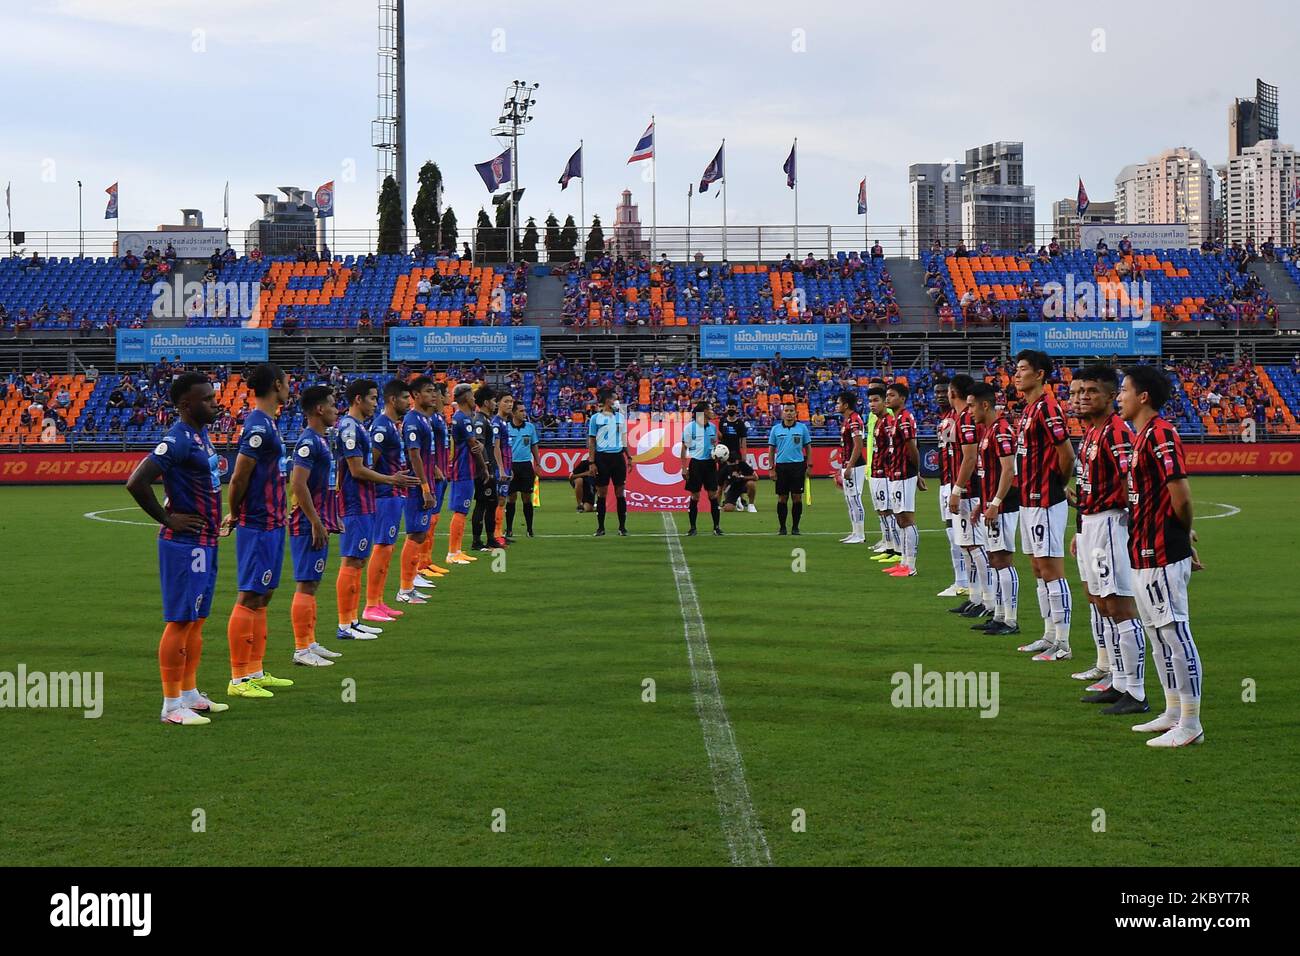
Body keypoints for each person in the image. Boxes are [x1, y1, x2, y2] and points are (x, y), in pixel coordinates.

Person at [125, 372, 229, 726]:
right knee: (181, 620)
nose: (215, 403)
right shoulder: (178, 438)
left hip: (205, 540)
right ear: (186, 404)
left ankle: (188, 693)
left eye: (214, 397)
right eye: (207, 399)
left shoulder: (200, 435)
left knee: (197, 620)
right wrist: (170, 520)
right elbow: (136, 482)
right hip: (184, 544)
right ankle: (170, 705)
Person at [1118, 365, 1204, 747]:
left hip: (1162, 552)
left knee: (1174, 632)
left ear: (1143, 397)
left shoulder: (1162, 433)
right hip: (1142, 551)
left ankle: (1191, 722)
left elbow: (1181, 495)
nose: (1120, 396)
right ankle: (1172, 711)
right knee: (1157, 635)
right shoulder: (1142, 437)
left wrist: (1182, 537)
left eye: (1124, 390)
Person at [1070, 366, 1148, 715]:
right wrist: (1079, 530)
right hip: (1091, 524)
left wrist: (1133, 529)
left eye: (1091, 391)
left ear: (1109, 397)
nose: (1082, 397)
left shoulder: (1116, 432)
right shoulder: (1091, 432)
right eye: (1077, 391)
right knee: (1100, 602)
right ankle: (1118, 680)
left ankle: (1136, 690)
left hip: (1111, 523)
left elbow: (1132, 481)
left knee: (1118, 605)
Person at [221, 363, 295, 699]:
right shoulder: (257, 425)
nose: (290, 387)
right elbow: (238, 477)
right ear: (276, 385)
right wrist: (235, 513)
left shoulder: (269, 423)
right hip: (258, 522)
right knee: (250, 595)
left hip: (273, 521)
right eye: (287, 382)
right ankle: (238, 678)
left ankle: (256, 670)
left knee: (263, 596)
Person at [333, 380, 418, 641]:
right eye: (371, 398)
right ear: (358, 399)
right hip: (356, 502)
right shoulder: (349, 427)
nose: (375, 403)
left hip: (365, 500)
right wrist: (392, 480)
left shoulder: (360, 427)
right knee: (351, 560)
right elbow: (355, 469)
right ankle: (345, 625)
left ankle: (354, 620)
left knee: (358, 560)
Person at [1012, 350, 1076, 662]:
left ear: (1039, 375)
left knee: (1051, 569)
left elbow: (1067, 455)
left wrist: (1058, 485)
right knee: (1038, 568)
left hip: (1044, 499)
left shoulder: (1048, 408)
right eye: (1016, 369)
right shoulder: (1028, 410)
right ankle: (1049, 634)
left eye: (1023, 369)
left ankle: (1063, 642)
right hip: (1028, 499)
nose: (1016, 374)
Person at [287, 385, 346, 663]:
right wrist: (315, 521)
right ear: (320, 409)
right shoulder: (309, 441)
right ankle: (301, 649)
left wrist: (329, 519)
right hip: (306, 523)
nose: (337, 410)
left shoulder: (321, 440)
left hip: (318, 521)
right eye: (333, 405)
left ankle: (309, 643)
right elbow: (298, 484)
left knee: (312, 584)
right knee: (306, 583)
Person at [968, 382, 1019, 634]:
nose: (969, 411)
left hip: (1005, 506)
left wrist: (996, 503)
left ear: (984, 404)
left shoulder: (1001, 431)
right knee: (994, 559)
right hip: (992, 504)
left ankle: (1010, 620)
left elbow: (1009, 470)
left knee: (1003, 560)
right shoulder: (988, 431)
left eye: (971, 406)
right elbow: (991, 472)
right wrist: (982, 503)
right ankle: (999, 616)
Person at [363, 379, 414, 622]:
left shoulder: (392, 426)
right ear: (393, 400)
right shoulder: (381, 427)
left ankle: (379, 601)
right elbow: (369, 463)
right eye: (405, 398)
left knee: (388, 548)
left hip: (394, 494)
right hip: (384, 496)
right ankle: (371, 604)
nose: (408, 402)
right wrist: (387, 481)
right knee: (382, 548)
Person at [396, 376, 443, 605]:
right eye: (428, 391)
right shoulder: (413, 420)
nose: (433, 395)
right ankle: (405, 588)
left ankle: (411, 582)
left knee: (421, 533)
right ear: (415, 396)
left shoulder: (425, 420)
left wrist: (433, 469)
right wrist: (425, 487)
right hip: (417, 486)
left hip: (425, 482)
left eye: (434, 391)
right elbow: (413, 455)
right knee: (415, 534)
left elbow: (423, 454)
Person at [947, 375, 989, 616]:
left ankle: (989, 600)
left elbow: (970, 457)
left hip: (970, 491)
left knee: (975, 546)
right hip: (966, 490)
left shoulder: (965, 420)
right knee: (966, 546)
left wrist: (957, 489)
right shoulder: (962, 418)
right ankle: (975, 597)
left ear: (953, 392)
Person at [883, 382, 925, 577]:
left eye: (891, 395)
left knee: (907, 519)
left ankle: (911, 566)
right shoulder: (896, 418)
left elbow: (912, 447)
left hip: (903, 474)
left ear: (902, 398)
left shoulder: (905, 418)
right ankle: (903, 562)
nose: (887, 398)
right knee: (900, 518)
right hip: (895, 474)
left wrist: (916, 472)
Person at [933, 375, 969, 598]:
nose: (940, 395)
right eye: (936, 392)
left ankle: (965, 582)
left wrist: (957, 486)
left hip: (956, 483)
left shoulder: (960, 417)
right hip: (945, 481)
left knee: (963, 536)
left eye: (943, 391)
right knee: (951, 533)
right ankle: (961, 581)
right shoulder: (945, 417)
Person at [444, 383, 487, 565]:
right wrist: (483, 468)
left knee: (462, 510)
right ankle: (453, 553)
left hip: (462, 469)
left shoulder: (460, 417)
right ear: (465, 398)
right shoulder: (463, 419)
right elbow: (474, 446)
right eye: (471, 395)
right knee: (461, 511)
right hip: (463, 469)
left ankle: (457, 550)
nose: (474, 398)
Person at [586, 388, 630, 536]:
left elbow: (624, 439)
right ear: (607, 401)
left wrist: (629, 457)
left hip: (618, 458)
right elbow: (591, 442)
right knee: (602, 493)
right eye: (614, 399)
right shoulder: (595, 419)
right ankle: (600, 527)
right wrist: (592, 462)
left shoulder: (621, 418)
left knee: (620, 492)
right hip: (602, 458)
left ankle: (622, 527)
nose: (616, 402)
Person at [767, 401, 812, 535]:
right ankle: (782, 527)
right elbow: (771, 450)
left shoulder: (802, 428)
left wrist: (809, 465)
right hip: (781, 467)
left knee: (797, 497)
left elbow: (808, 448)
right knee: (782, 498)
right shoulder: (775, 429)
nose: (789, 413)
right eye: (786, 411)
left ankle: (795, 527)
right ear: (782, 413)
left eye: (792, 411)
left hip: (798, 466)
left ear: (796, 413)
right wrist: (771, 468)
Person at [469, 385, 504, 552]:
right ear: (485, 402)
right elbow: (479, 446)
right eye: (493, 401)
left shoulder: (486, 420)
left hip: (488, 468)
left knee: (491, 503)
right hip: (484, 470)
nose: (495, 403)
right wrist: (486, 467)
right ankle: (477, 541)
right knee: (483, 503)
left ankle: (489, 539)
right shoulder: (480, 421)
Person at [681, 401, 722, 535]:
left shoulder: (712, 427)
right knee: (695, 496)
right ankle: (693, 528)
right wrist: (684, 468)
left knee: (713, 495)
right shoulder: (690, 428)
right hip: (696, 464)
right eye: (710, 409)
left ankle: (716, 527)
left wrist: (717, 456)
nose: (712, 412)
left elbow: (714, 445)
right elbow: (684, 448)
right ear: (704, 411)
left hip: (710, 464)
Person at [837, 390, 867, 544]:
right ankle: (855, 532)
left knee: (855, 498)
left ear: (846, 404)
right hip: (848, 464)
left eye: (838, 403)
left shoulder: (855, 419)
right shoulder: (848, 420)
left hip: (855, 465)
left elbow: (858, 445)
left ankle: (860, 534)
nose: (836, 406)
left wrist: (849, 466)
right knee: (849, 499)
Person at [506, 399, 540, 537]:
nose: (524, 413)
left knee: (527, 498)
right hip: (512, 466)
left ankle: (530, 529)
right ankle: (509, 529)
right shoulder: (506, 427)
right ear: (514, 413)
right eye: (521, 411)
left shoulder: (530, 427)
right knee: (511, 498)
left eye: (524, 410)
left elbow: (534, 445)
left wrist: (537, 463)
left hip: (526, 465)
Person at [718, 400, 755, 512]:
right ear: (727, 407)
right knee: (724, 480)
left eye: (733, 407)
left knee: (738, 478)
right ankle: (725, 500)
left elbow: (743, 441)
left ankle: (741, 499)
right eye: (729, 406)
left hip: (736, 456)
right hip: (723, 456)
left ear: (736, 409)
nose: (731, 409)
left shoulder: (740, 424)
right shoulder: (722, 421)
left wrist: (744, 455)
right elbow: (719, 437)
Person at [492, 394, 514, 544]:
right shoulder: (496, 423)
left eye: (511, 401)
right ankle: (495, 534)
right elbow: (496, 447)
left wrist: (508, 468)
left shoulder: (505, 423)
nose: (510, 404)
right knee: (499, 499)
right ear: (498, 403)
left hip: (506, 466)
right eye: (506, 401)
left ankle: (499, 533)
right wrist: (501, 468)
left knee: (502, 500)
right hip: (499, 468)